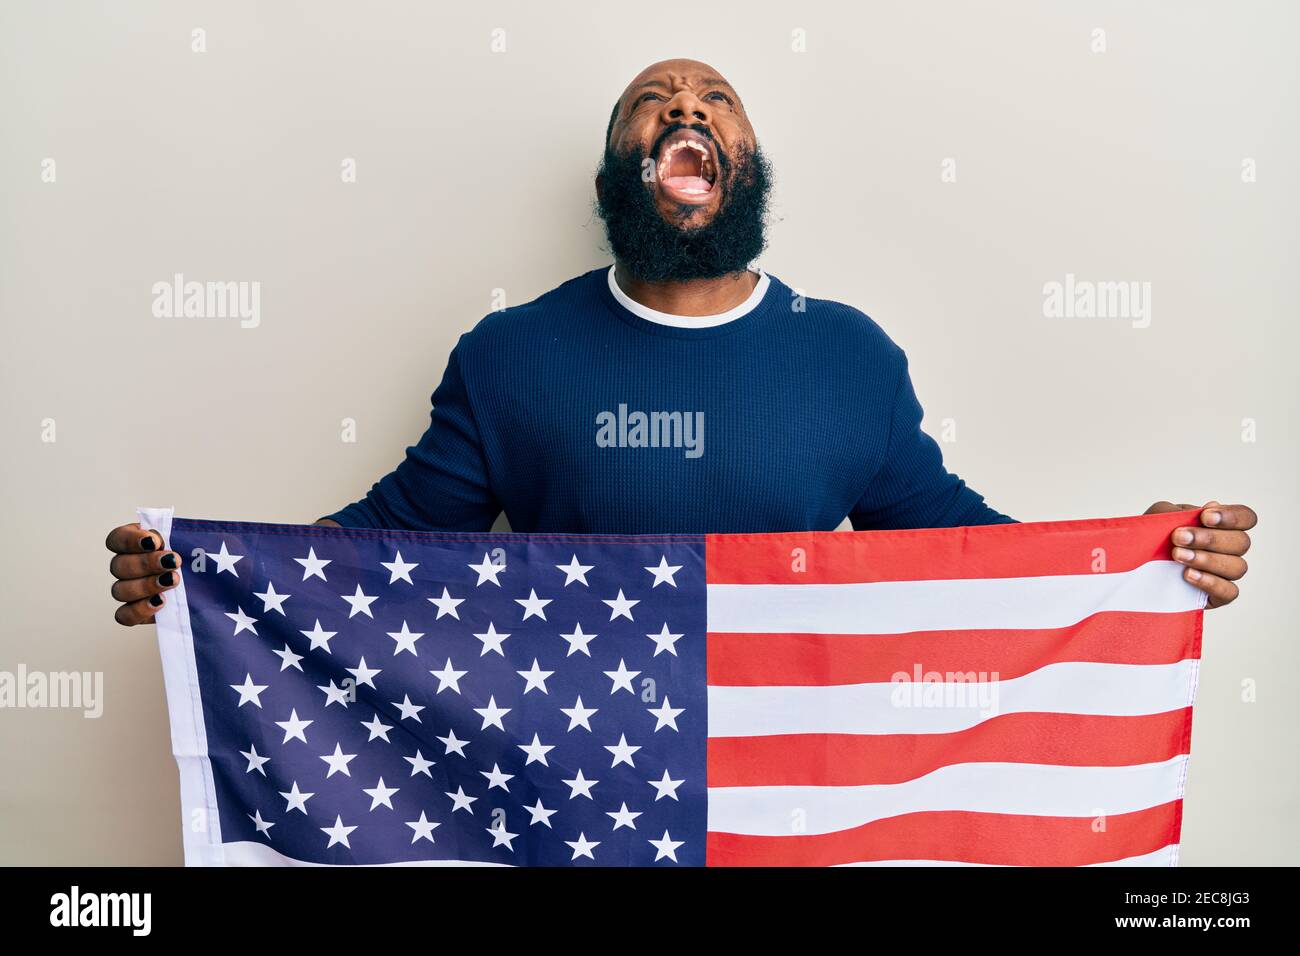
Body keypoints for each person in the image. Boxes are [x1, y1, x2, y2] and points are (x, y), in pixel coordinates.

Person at [105, 58, 1255, 626]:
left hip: (786, 798)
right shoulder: (512, 355)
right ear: (621, 168)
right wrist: (198, 571)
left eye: (716, 99)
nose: (687, 109)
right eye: (655, 101)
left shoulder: (847, 356)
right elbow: (391, 544)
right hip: (571, 793)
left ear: (744, 162)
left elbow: (966, 551)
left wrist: (1145, 552)